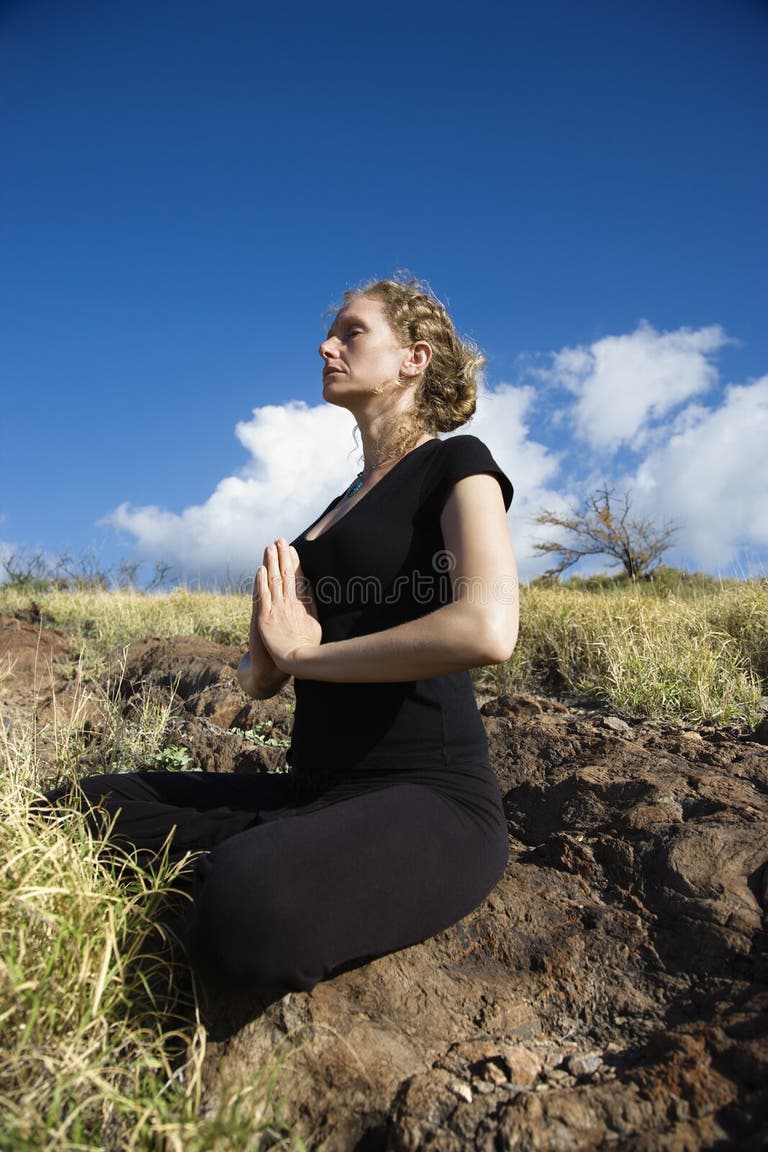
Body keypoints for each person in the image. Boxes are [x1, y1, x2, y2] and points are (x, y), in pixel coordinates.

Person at [61, 277, 518, 1002]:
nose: (326, 345)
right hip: (312, 789)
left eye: (352, 332)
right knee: (83, 802)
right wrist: (270, 645)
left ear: (414, 358)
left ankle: (250, 876)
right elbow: (258, 680)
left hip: (428, 796)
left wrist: (308, 656)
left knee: (244, 910)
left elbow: (488, 628)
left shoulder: (456, 465)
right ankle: (267, 857)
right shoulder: (334, 510)